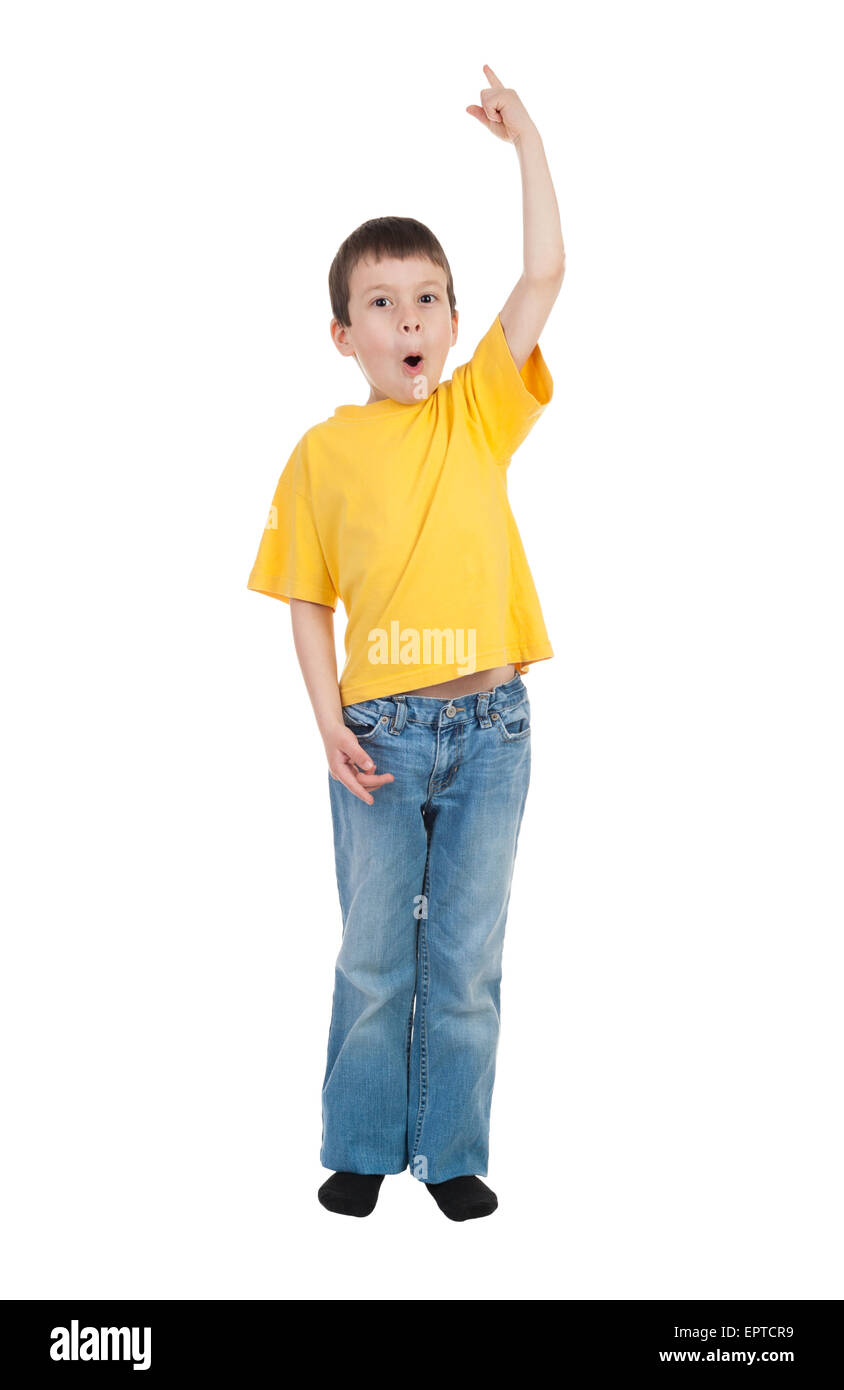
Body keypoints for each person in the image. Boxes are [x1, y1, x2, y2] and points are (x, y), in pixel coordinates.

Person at [247, 67, 565, 1221]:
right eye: (382, 304)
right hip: (378, 731)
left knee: (466, 960)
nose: (410, 320)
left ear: (450, 320)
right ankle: (362, 1145)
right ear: (345, 334)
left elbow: (543, 273)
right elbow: (305, 598)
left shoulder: (480, 407)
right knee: (374, 955)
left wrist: (524, 138)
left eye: (428, 299)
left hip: (491, 730)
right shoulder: (321, 455)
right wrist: (327, 720)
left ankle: (453, 1151)